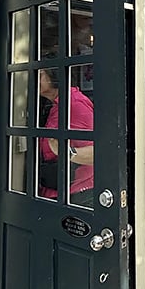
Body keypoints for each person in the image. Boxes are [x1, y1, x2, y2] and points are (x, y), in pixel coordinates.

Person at [38, 68, 94, 200]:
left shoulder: (75, 104)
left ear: (54, 77)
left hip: (76, 194)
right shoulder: (56, 104)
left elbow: (98, 152)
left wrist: (65, 152)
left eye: (40, 75)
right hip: (55, 188)